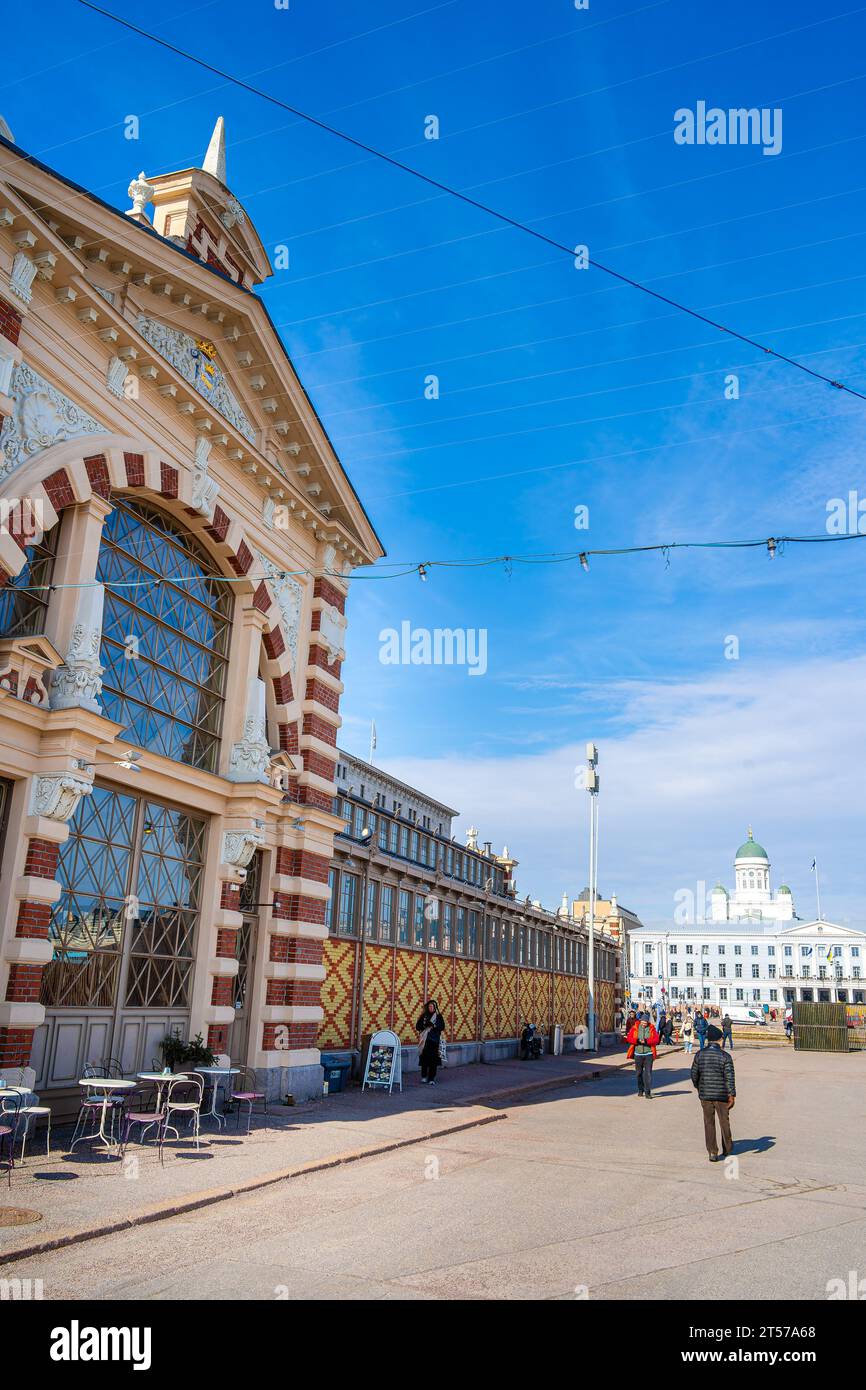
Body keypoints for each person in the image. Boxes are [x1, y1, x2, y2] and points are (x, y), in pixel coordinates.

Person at [690, 1024, 735, 1161]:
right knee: (724, 1121)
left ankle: (712, 1152)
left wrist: (699, 1087)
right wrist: (731, 1095)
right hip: (722, 1095)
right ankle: (727, 1149)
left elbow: (693, 1074)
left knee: (709, 1122)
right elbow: (729, 1077)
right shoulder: (725, 1056)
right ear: (719, 1040)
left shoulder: (700, 1054)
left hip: (705, 1095)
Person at [626, 1011, 658, 1098]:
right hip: (638, 1054)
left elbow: (656, 1039)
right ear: (640, 1021)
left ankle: (648, 1092)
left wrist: (646, 1041)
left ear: (648, 1022)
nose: (644, 1024)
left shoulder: (652, 1028)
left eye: (645, 1022)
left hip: (648, 1054)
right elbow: (629, 1038)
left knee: (648, 1073)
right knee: (638, 1073)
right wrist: (637, 1041)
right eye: (643, 1022)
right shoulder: (635, 1027)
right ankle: (640, 1089)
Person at [416, 999, 446, 1085]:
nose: (431, 1008)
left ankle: (431, 1078)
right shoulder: (424, 1016)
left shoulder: (438, 1016)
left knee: (433, 1061)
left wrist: (434, 1025)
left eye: (432, 1006)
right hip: (425, 1041)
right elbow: (418, 1026)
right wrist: (425, 1025)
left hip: (434, 1041)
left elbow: (442, 1026)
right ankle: (424, 1076)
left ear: (435, 1008)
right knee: (424, 1059)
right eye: (429, 1006)